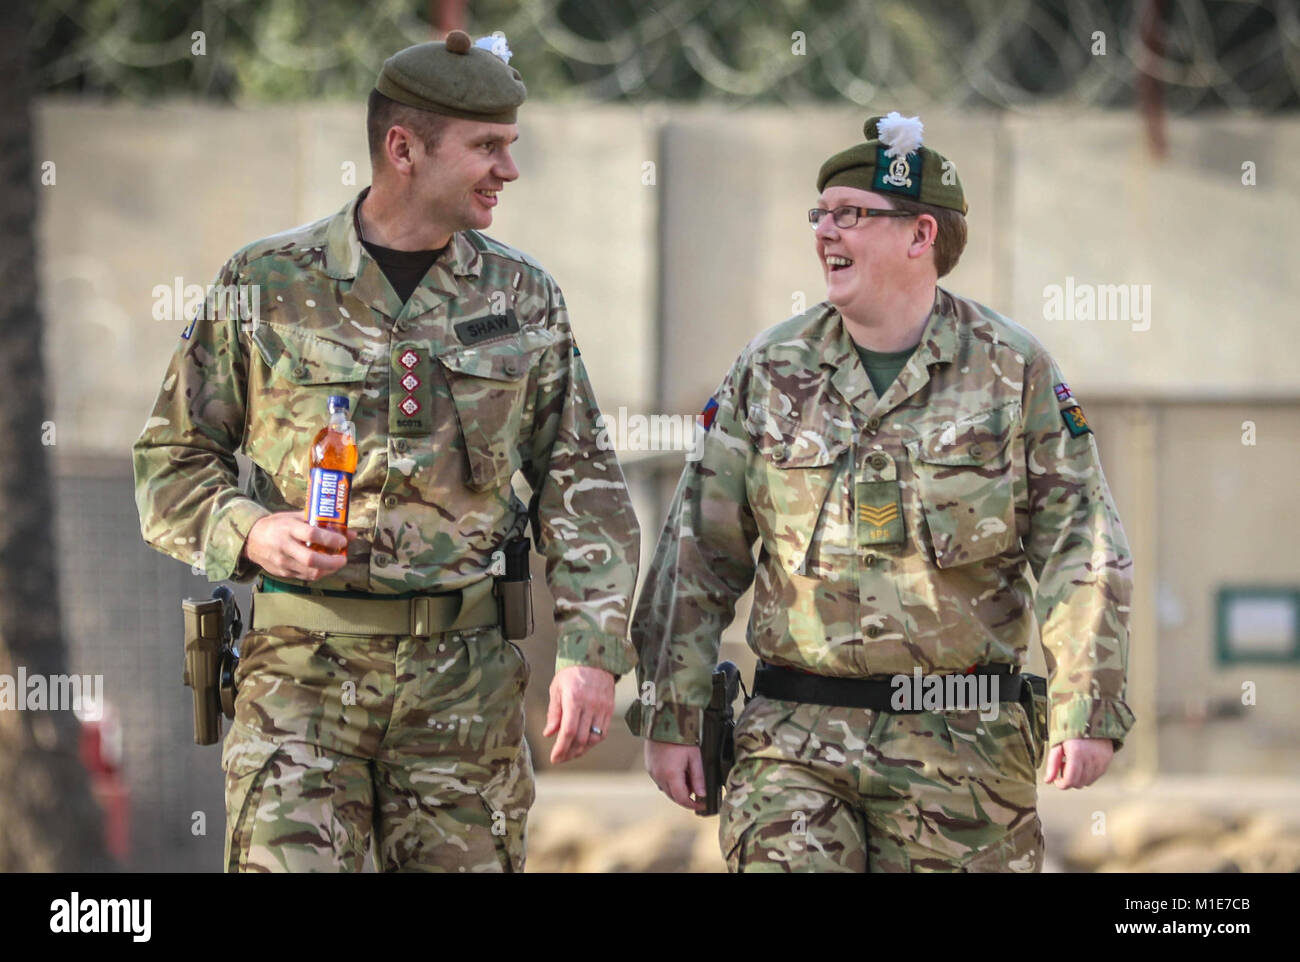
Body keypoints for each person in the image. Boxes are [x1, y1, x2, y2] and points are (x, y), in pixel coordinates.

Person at [133, 30, 640, 872]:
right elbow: (170, 460)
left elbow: (581, 479)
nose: (508, 171)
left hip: (464, 694)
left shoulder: (522, 297)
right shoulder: (267, 284)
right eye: (487, 148)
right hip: (300, 685)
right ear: (403, 149)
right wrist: (254, 532)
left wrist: (592, 651)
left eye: (509, 148)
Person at [628, 112, 1134, 872]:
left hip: (965, 753)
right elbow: (698, 552)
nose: (825, 231)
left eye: (850, 215)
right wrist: (672, 712)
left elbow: (1080, 546)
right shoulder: (771, 368)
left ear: (920, 235)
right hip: (792, 741)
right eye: (819, 214)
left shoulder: (1012, 371)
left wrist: (1086, 706)